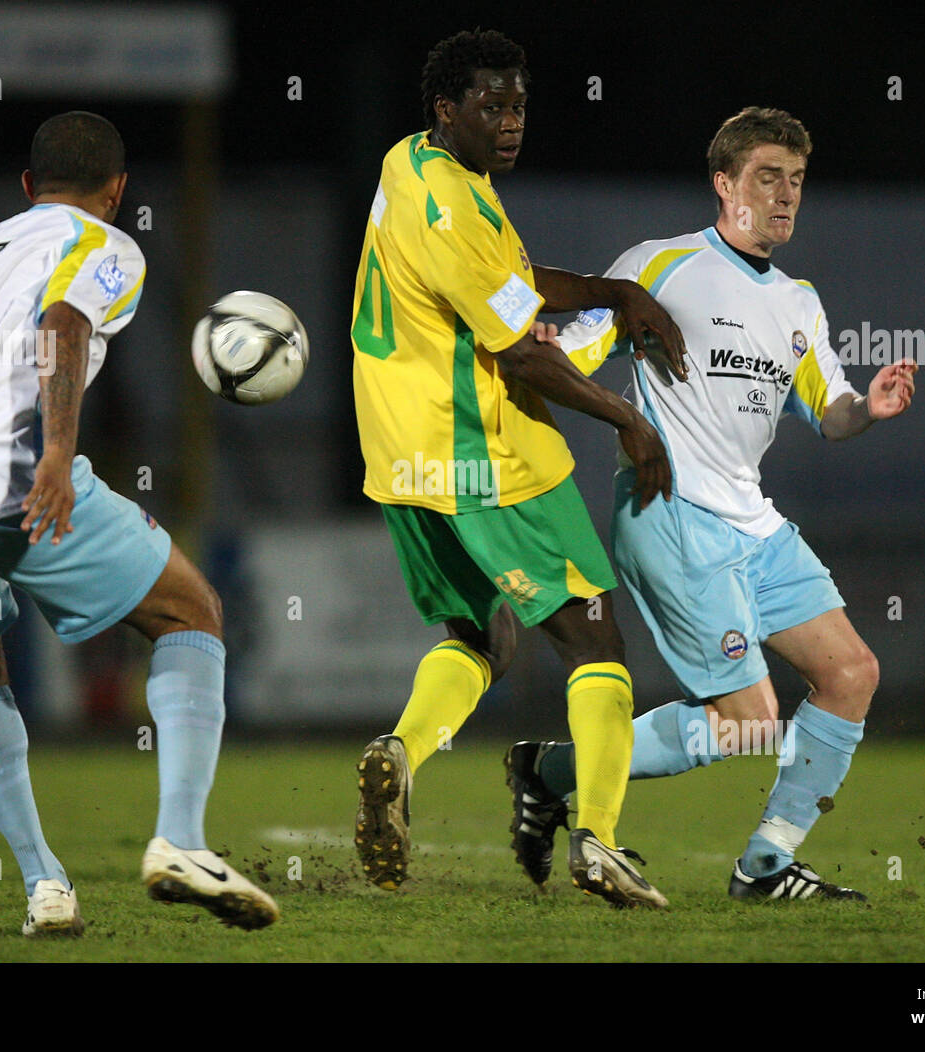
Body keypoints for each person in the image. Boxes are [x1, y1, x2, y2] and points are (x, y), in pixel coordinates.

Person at [0, 111, 278, 934]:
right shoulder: (104, 245)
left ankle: (44, 885)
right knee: (190, 612)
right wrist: (57, 454)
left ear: (28, 186)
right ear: (118, 190)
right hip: (7, 477)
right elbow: (64, 324)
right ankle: (182, 842)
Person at [507, 107, 917, 902]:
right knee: (748, 720)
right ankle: (552, 773)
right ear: (724, 183)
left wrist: (868, 408)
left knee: (851, 673)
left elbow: (830, 413)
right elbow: (581, 348)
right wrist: (555, 347)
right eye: (767, 177)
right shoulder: (661, 265)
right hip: (672, 510)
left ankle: (765, 866)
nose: (785, 195)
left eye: (796, 180)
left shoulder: (798, 301)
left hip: (754, 523)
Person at [349, 29, 690, 908]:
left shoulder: (408, 164)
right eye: (491, 106)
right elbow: (522, 352)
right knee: (595, 640)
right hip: (482, 456)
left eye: (519, 105)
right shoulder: (455, 209)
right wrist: (627, 420)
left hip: (400, 457)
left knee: (480, 636)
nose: (510, 122)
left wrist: (614, 293)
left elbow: (510, 283)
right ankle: (599, 841)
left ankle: (400, 752)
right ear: (446, 108)